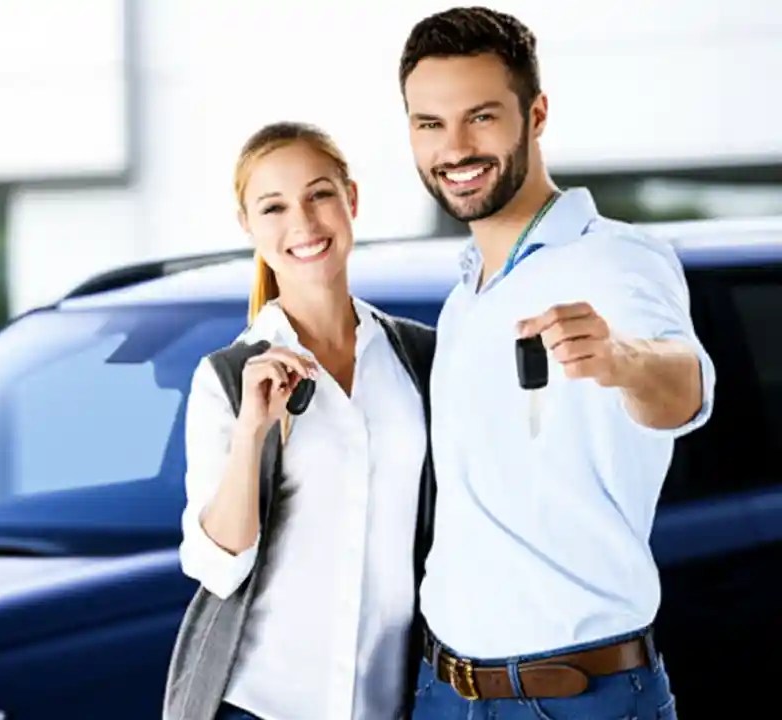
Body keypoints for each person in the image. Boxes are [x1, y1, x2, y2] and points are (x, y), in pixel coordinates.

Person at [398, 7, 714, 719]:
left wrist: (622, 359)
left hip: (576, 698)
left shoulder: (615, 259)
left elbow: (682, 387)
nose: (455, 148)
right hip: (444, 690)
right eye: (430, 124)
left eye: (481, 117)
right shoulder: (464, 296)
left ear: (536, 115)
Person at [163, 121, 438, 720]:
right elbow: (216, 566)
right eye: (274, 207)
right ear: (247, 224)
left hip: (389, 703)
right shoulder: (228, 378)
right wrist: (251, 433)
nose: (304, 223)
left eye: (319, 195)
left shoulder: (419, 359)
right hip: (257, 703)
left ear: (351, 199)